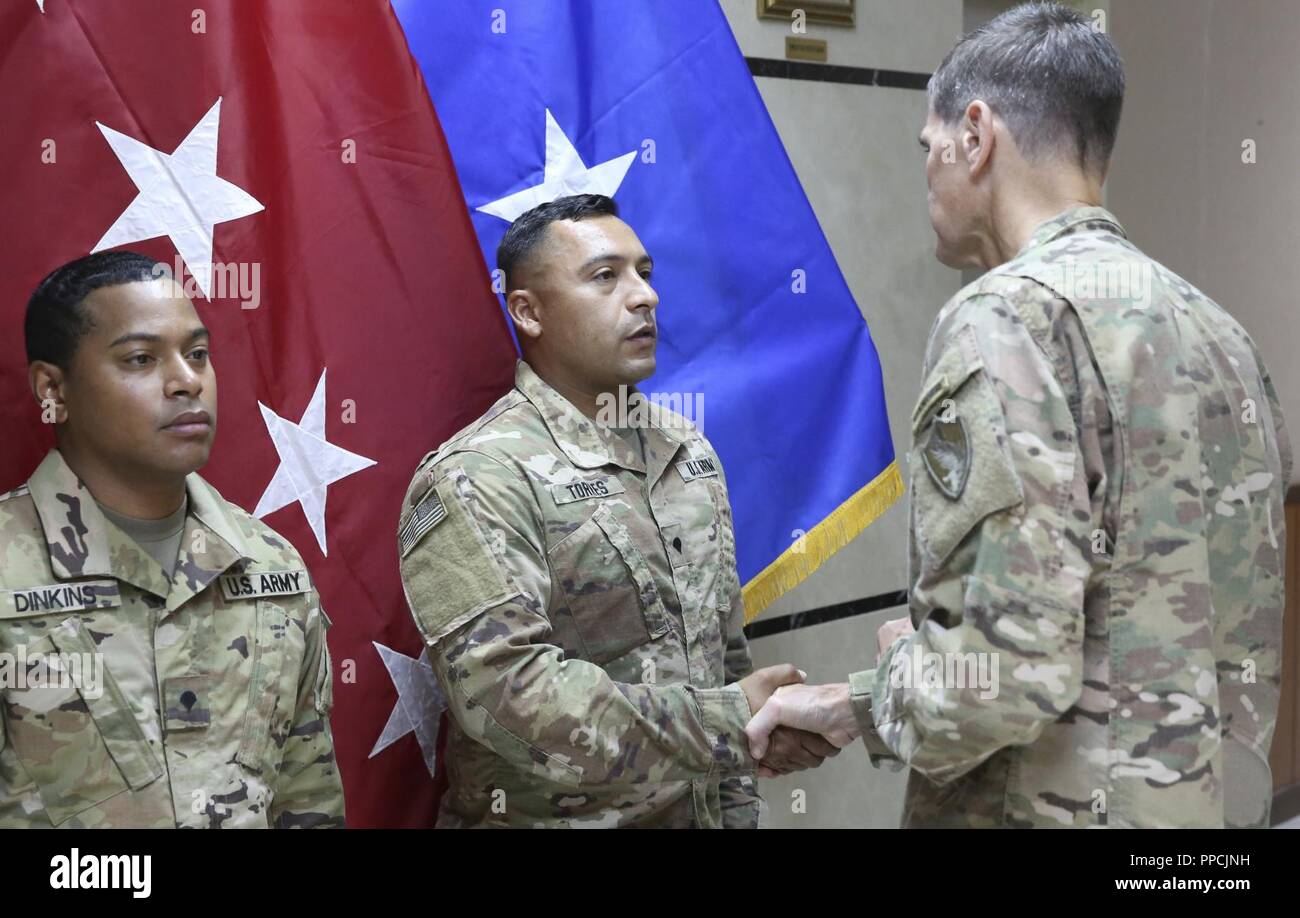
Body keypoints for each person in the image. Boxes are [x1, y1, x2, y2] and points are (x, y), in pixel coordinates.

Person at [745, 2, 1290, 828]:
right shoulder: (1220, 331)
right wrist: (856, 702)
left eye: (927, 149)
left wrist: (893, 681)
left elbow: (1003, 678)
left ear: (976, 132)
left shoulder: (1002, 319)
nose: (927, 175)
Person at [397, 194, 835, 827]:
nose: (644, 297)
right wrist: (732, 721)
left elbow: (723, 658)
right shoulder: (477, 474)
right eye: (605, 277)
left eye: (645, 273)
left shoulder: (687, 452)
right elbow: (506, 695)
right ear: (529, 311)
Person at [0, 251, 345, 828]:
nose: (187, 381)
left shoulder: (269, 564)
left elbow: (305, 795)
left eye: (199, 354)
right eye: (140, 358)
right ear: (52, 388)